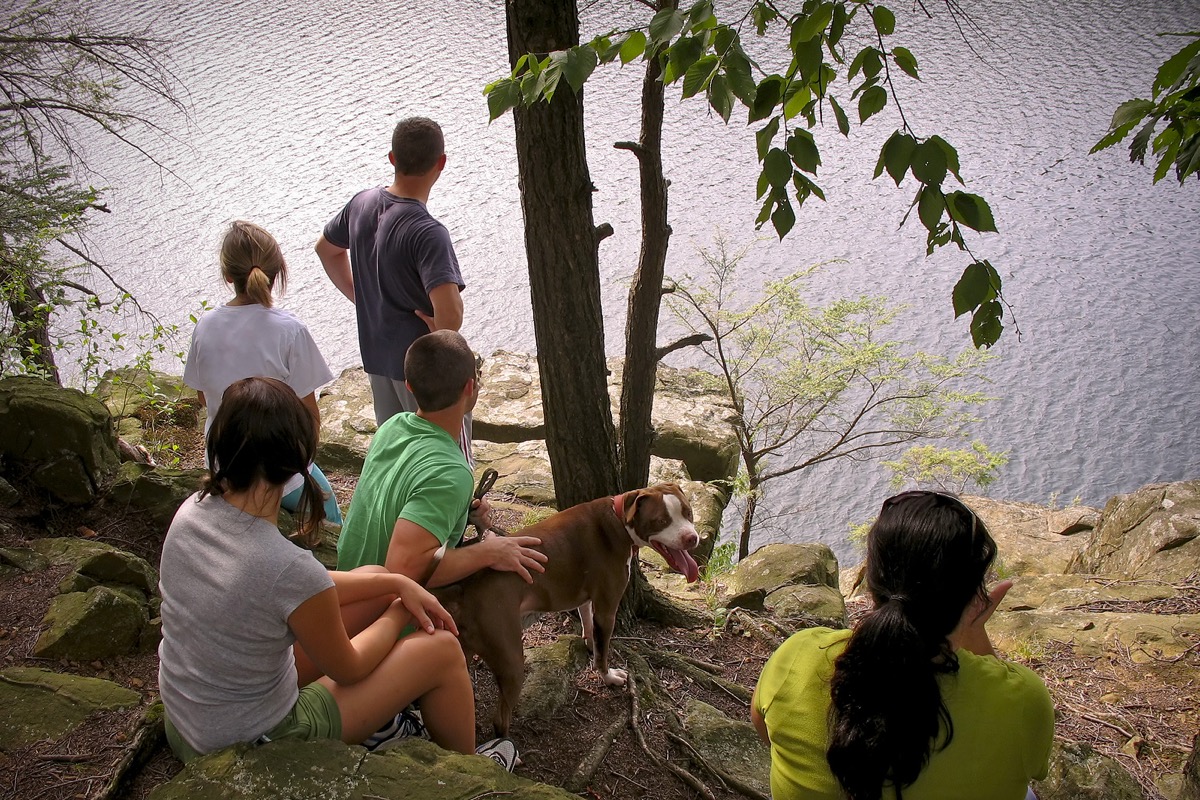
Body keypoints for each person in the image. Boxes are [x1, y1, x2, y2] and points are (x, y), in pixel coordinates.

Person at [157, 376, 518, 769]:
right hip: (253, 744)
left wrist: (394, 582)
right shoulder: (283, 564)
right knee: (443, 651)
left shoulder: (193, 510)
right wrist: (400, 607)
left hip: (186, 719)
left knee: (374, 579)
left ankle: (382, 714)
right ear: (296, 460)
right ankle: (468, 775)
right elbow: (349, 666)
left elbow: (293, 588)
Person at [751, 490, 1054, 800]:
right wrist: (973, 632)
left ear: (870, 578)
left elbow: (764, 731)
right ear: (974, 596)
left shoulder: (797, 657)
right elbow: (1030, 767)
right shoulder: (1022, 700)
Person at [315, 116, 473, 461]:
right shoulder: (427, 232)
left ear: (392, 159)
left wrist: (362, 298)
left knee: (397, 459)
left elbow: (326, 250)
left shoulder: (361, 204)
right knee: (442, 461)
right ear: (441, 164)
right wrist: (438, 327)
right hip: (425, 372)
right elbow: (450, 317)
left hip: (378, 360)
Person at [336, 330, 546, 589]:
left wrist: (460, 511)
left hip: (347, 588)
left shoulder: (392, 428)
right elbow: (403, 569)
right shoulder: (451, 474)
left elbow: (404, 494)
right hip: (383, 612)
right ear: (470, 387)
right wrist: (491, 552)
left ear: (409, 386)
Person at [183, 220, 341, 536]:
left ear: (228, 276)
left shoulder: (205, 327)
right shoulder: (290, 331)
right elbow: (309, 415)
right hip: (281, 470)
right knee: (333, 517)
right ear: (277, 271)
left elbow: (203, 398)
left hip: (223, 466)